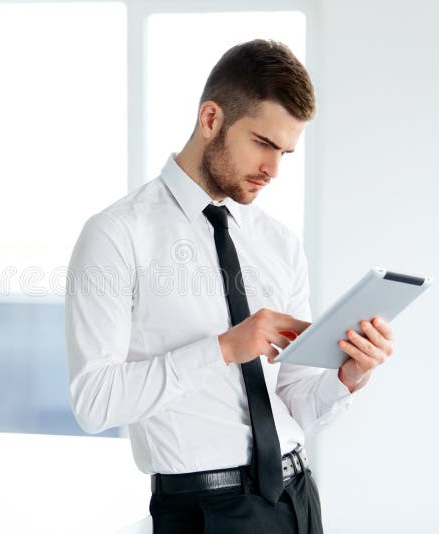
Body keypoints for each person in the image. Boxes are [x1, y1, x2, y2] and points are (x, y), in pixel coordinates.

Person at [64, 39, 394, 533]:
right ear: (211, 119)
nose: (273, 170)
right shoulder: (117, 235)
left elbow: (294, 403)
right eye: (262, 143)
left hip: (298, 500)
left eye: (284, 152)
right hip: (204, 512)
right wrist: (222, 348)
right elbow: (94, 403)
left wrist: (347, 378)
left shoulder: (279, 243)